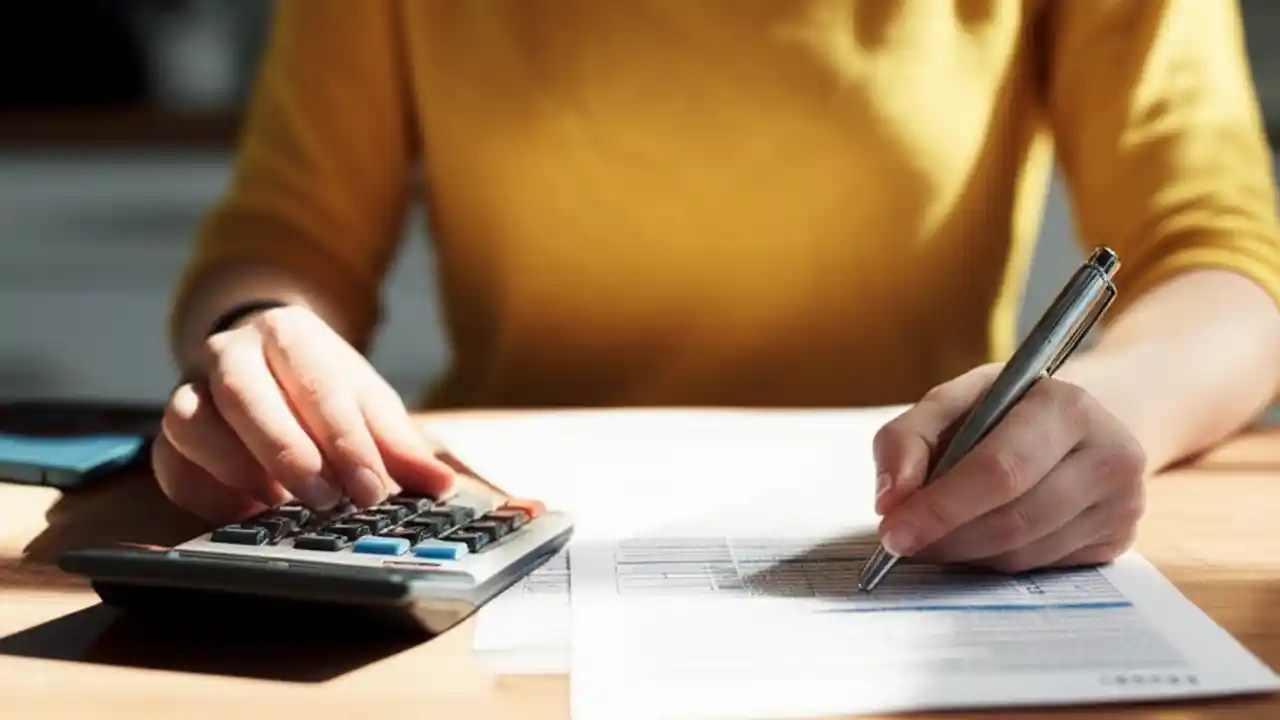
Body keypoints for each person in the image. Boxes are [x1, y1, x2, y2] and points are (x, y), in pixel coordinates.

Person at [156, 1, 1280, 574]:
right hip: (487, 540)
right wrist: (263, 336)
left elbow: (1225, 260)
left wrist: (1104, 416)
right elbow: (283, 231)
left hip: (924, 524)